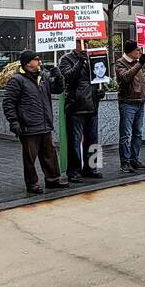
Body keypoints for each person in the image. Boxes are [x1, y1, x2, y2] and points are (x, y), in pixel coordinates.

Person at [3, 50, 69, 194]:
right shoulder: (17, 80)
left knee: (50, 154)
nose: (39, 61)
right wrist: (14, 121)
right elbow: (8, 103)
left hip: (45, 124)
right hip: (29, 126)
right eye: (36, 59)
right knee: (29, 157)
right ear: (28, 63)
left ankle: (53, 179)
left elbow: (57, 89)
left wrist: (59, 77)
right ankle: (32, 184)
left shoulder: (43, 77)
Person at [57, 39, 106, 182]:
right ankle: (74, 171)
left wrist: (100, 91)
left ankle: (91, 168)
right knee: (74, 142)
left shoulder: (93, 57)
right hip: (76, 107)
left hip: (92, 105)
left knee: (93, 140)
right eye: (80, 42)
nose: (84, 44)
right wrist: (80, 61)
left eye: (85, 41)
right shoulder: (66, 59)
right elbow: (68, 77)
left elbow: (98, 77)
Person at [114, 40, 145, 172]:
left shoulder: (136, 63)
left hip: (139, 101)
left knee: (138, 133)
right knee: (126, 134)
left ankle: (134, 159)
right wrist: (139, 64)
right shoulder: (120, 63)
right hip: (128, 103)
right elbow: (125, 77)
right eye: (137, 50)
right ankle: (125, 162)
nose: (140, 52)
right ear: (130, 51)